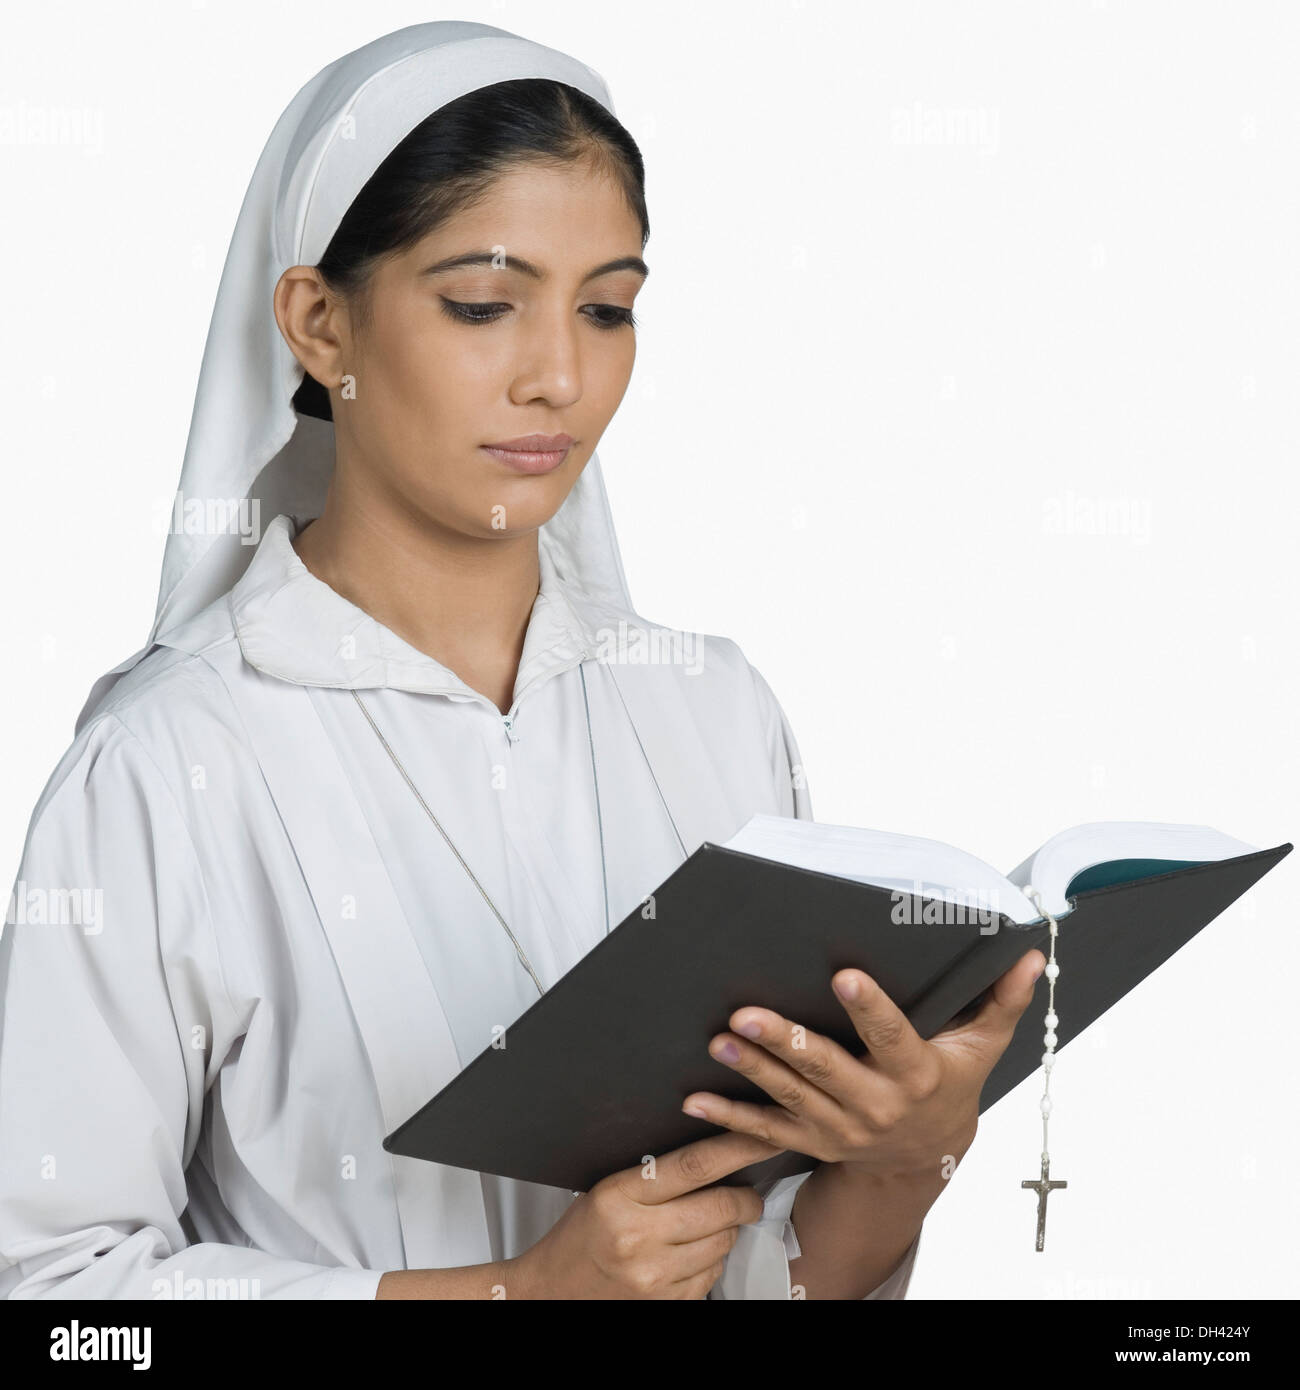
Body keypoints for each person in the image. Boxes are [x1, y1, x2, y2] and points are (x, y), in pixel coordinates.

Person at [0, 20, 1042, 1300]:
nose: (560, 375)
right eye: (484, 305)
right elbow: (54, 1302)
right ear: (319, 324)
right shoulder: (164, 765)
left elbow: (763, 1276)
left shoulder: (713, 711)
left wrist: (901, 1161)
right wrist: (512, 1294)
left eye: (607, 309)